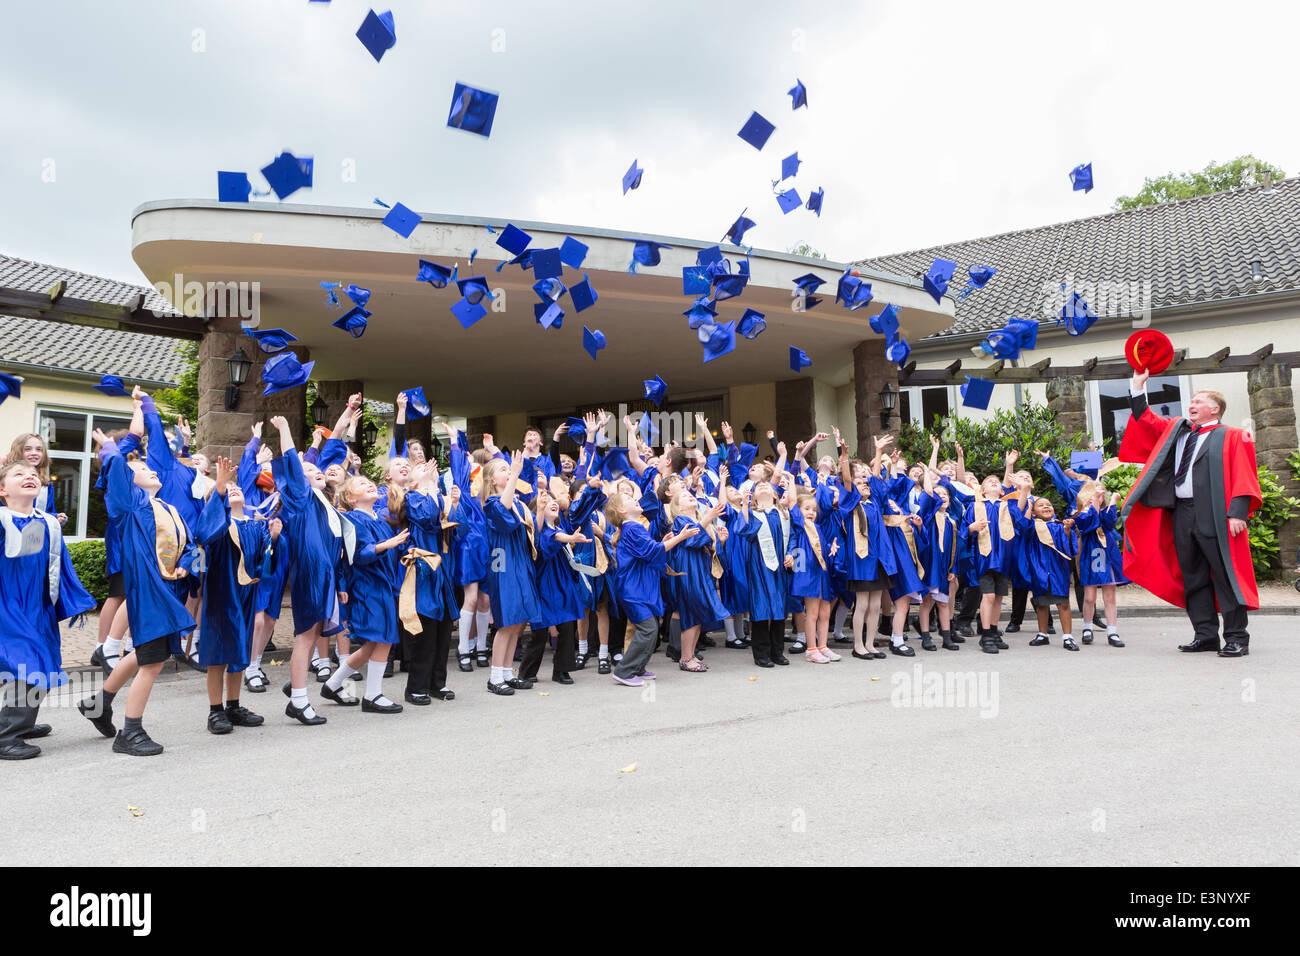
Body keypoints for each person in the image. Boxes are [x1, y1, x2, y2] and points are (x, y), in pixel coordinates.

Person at [78, 393, 198, 755]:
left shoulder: (166, 508)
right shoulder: (131, 508)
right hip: (148, 592)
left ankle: (98, 702)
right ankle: (130, 732)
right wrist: (112, 451)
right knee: (152, 662)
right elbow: (116, 480)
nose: (151, 468)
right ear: (132, 482)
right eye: (142, 468)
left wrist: (185, 565)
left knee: (145, 654)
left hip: (166, 589)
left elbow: (189, 546)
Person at [1120, 369, 1261, 657]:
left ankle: (1236, 638)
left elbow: (1246, 476)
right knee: (1193, 576)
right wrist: (1137, 386)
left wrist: (1237, 513)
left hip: (1217, 514)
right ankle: (1205, 635)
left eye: (1198, 401)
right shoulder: (1178, 431)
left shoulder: (1234, 436)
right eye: (1192, 401)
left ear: (1214, 408)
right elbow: (1146, 421)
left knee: (1225, 575)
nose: (1191, 405)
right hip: (1182, 513)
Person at [0, 462, 96, 760]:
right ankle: (7, 736)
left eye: (32, 474)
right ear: (2, 490)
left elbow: (59, 565)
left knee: (44, 662)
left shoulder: (48, 524)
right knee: (25, 664)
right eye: (18, 474)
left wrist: (71, 600)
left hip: (38, 606)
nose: (29, 476)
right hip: (8, 605)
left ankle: (19, 722)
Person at [191, 456, 279, 734]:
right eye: (229, 491)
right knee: (218, 652)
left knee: (240, 649)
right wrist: (219, 486)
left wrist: (274, 539)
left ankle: (233, 705)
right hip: (221, 593)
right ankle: (215, 711)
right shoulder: (220, 523)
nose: (235, 489)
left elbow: (265, 565)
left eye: (236, 487)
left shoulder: (255, 525)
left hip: (246, 595)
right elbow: (203, 533)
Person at [318, 475, 408, 713]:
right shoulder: (352, 519)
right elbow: (358, 555)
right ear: (350, 498)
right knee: (382, 639)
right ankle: (373, 695)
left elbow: (390, 549)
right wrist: (385, 546)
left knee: (375, 643)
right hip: (368, 585)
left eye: (370, 482)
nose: (369, 484)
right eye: (361, 484)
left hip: (384, 585)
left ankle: (333, 684)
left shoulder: (379, 519)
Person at [605, 491, 699, 687]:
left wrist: (664, 542)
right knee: (648, 629)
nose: (636, 500)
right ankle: (624, 670)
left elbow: (649, 551)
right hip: (633, 589)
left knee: (650, 629)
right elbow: (652, 552)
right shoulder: (633, 528)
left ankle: (637, 667)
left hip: (636, 587)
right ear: (622, 510)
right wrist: (680, 537)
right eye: (630, 500)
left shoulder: (632, 528)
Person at [1008, 476, 1078, 650]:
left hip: (1058, 570)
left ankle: (1068, 637)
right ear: (1034, 512)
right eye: (1041, 505)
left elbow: (1070, 549)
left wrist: (1068, 531)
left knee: (1063, 603)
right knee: (1041, 603)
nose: (1046, 506)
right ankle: (1042, 634)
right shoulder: (1032, 527)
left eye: (1049, 505)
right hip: (1038, 570)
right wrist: (1028, 505)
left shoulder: (1060, 526)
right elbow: (1021, 525)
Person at [1071, 482, 1127, 646]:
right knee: (1089, 597)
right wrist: (1094, 499)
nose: (1096, 496)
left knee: (1110, 596)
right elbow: (1089, 523)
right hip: (1091, 557)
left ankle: (1112, 632)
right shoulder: (1081, 515)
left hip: (1108, 555)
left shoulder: (1104, 512)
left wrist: (1112, 501)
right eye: (1092, 493)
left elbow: (1109, 522)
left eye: (1100, 494)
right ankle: (1087, 627)